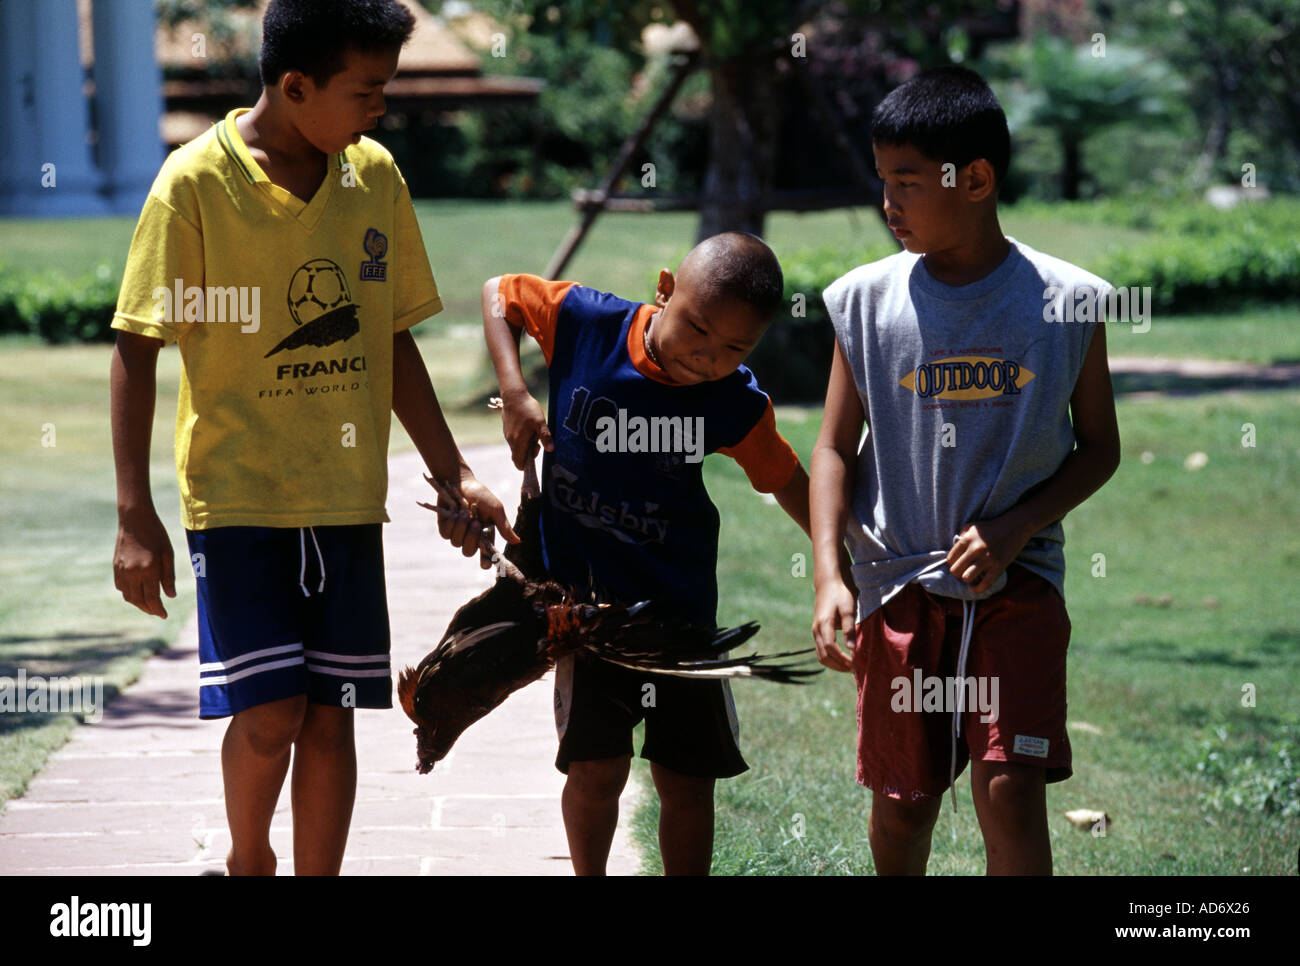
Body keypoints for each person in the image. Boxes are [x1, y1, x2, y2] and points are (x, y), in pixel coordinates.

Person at [109, 0, 514, 876]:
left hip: (344, 500)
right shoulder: (193, 187)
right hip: (239, 496)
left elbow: (390, 338)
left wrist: (454, 474)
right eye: (366, 92)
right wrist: (134, 516)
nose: (380, 109)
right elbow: (138, 347)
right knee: (271, 716)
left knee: (331, 715)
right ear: (295, 86)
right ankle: (248, 859)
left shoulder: (374, 178)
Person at [809, 65, 1121, 875]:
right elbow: (834, 448)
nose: (889, 203)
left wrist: (1016, 528)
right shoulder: (863, 302)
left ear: (975, 178)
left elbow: (1100, 447)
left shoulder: (1070, 302)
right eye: (883, 182)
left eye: (907, 183)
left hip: (1018, 591)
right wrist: (828, 577)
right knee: (904, 809)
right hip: (901, 588)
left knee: (1010, 791)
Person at [482, 232, 813, 875]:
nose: (707, 356)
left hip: (681, 619)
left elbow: (786, 479)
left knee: (687, 781)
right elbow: (500, 295)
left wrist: (838, 566)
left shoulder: (732, 402)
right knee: (595, 770)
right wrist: (515, 390)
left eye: (734, 348)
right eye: (697, 327)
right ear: (665, 288)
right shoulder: (586, 323)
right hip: (587, 616)